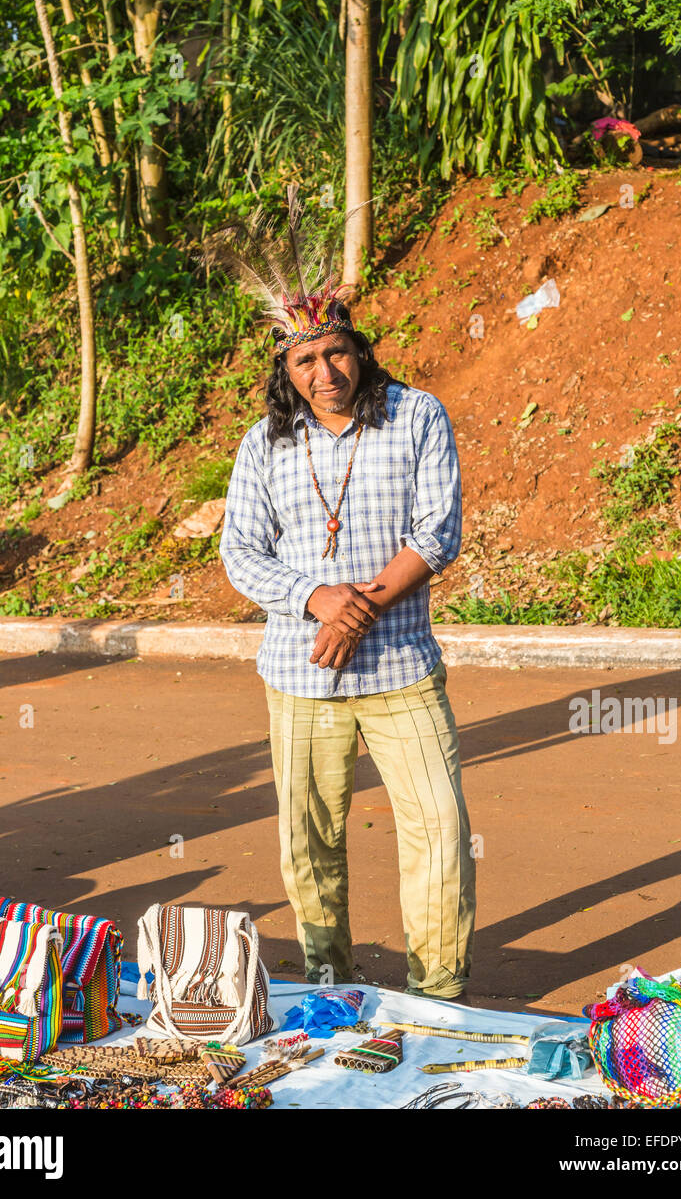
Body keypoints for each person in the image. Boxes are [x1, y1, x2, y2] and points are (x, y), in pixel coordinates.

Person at [218, 193, 475, 1000]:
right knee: (310, 839)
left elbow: (437, 532)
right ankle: (332, 983)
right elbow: (241, 554)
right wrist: (316, 599)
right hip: (300, 675)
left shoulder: (416, 415)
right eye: (304, 362)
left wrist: (354, 608)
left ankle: (438, 995)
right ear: (284, 373)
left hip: (400, 667)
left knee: (440, 828)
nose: (324, 373)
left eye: (336, 353)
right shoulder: (264, 443)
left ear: (358, 351)